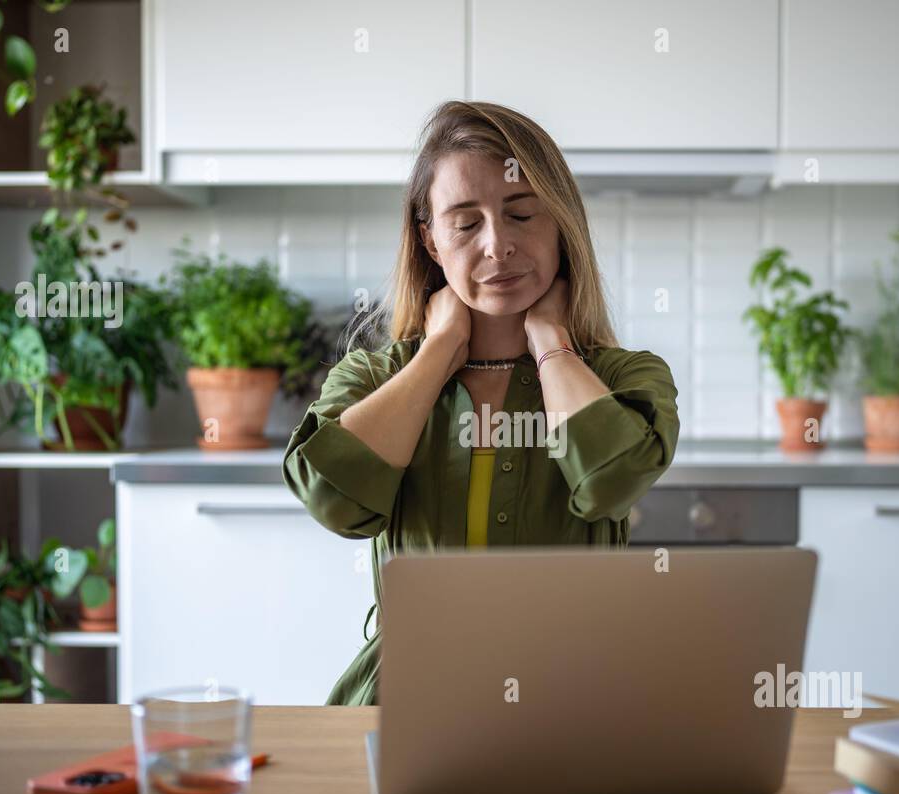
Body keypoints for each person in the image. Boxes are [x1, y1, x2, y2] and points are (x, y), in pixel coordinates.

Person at [282, 100, 680, 705]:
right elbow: (335, 500)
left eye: (522, 214)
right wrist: (440, 349)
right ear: (431, 240)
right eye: (466, 224)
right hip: (409, 696)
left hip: (572, 701)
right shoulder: (373, 376)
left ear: (561, 225)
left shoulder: (626, 378)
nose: (498, 245)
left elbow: (610, 480)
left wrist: (550, 342)